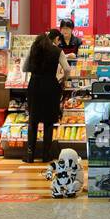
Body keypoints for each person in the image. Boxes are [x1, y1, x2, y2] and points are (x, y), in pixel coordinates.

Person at [24, 29, 70, 163]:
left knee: (33, 120)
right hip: (51, 86)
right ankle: (46, 155)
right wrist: (64, 79)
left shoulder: (34, 49)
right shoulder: (57, 51)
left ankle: (30, 155)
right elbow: (67, 69)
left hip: (35, 85)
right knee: (48, 121)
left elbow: (24, 68)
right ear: (54, 39)